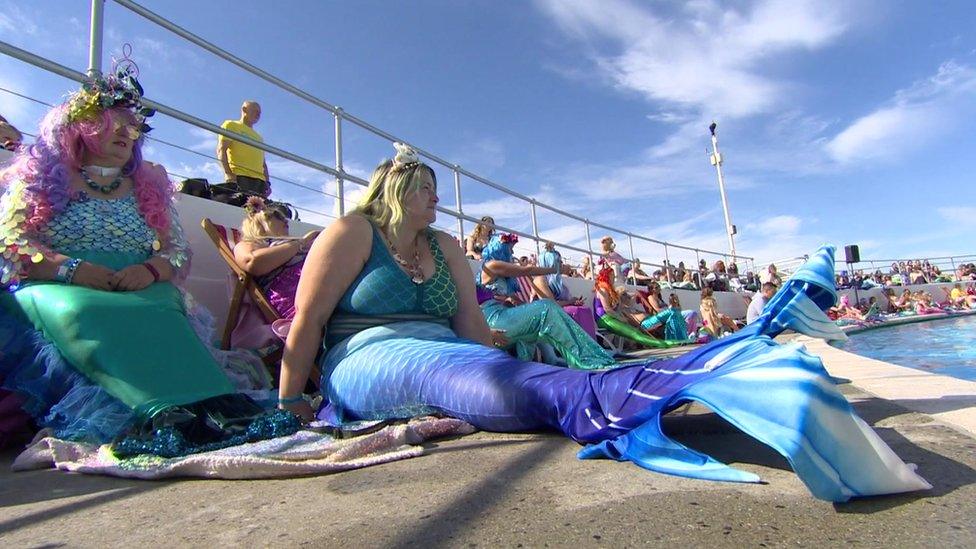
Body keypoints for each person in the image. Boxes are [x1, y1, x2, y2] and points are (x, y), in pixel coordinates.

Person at [273, 145, 929, 502]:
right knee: (459, 374)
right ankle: (635, 393)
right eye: (426, 187)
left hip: (452, 351)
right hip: (367, 354)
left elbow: (475, 332)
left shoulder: (445, 248)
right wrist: (290, 403)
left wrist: (524, 339)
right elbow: (307, 323)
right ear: (397, 188)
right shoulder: (353, 231)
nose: (436, 197)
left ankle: (717, 363)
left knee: (488, 370)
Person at [0, 66, 289, 453]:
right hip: (57, 286)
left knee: (164, 304)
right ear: (80, 126)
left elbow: (177, 250)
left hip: (139, 285)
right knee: (81, 310)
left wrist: (150, 269)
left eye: (132, 127)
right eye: (112, 123)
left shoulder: (148, 185)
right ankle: (149, 414)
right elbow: (11, 242)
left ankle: (209, 407)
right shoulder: (39, 178)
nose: (126, 133)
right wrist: (71, 268)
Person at [233, 196, 319, 318]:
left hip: (319, 287)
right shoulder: (249, 244)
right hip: (295, 297)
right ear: (259, 224)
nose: (286, 221)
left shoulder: (295, 243)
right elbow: (252, 262)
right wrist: (302, 243)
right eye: (278, 217)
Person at [218, 100, 270, 197]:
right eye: (255, 110)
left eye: (260, 113)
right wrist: (228, 173)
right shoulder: (231, 125)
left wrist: (268, 182)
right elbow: (221, 149)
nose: (258, 114)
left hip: (260, 182)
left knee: (258, 211)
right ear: (244, 109)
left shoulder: (259, 137)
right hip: (240, 176)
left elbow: (263, 163)